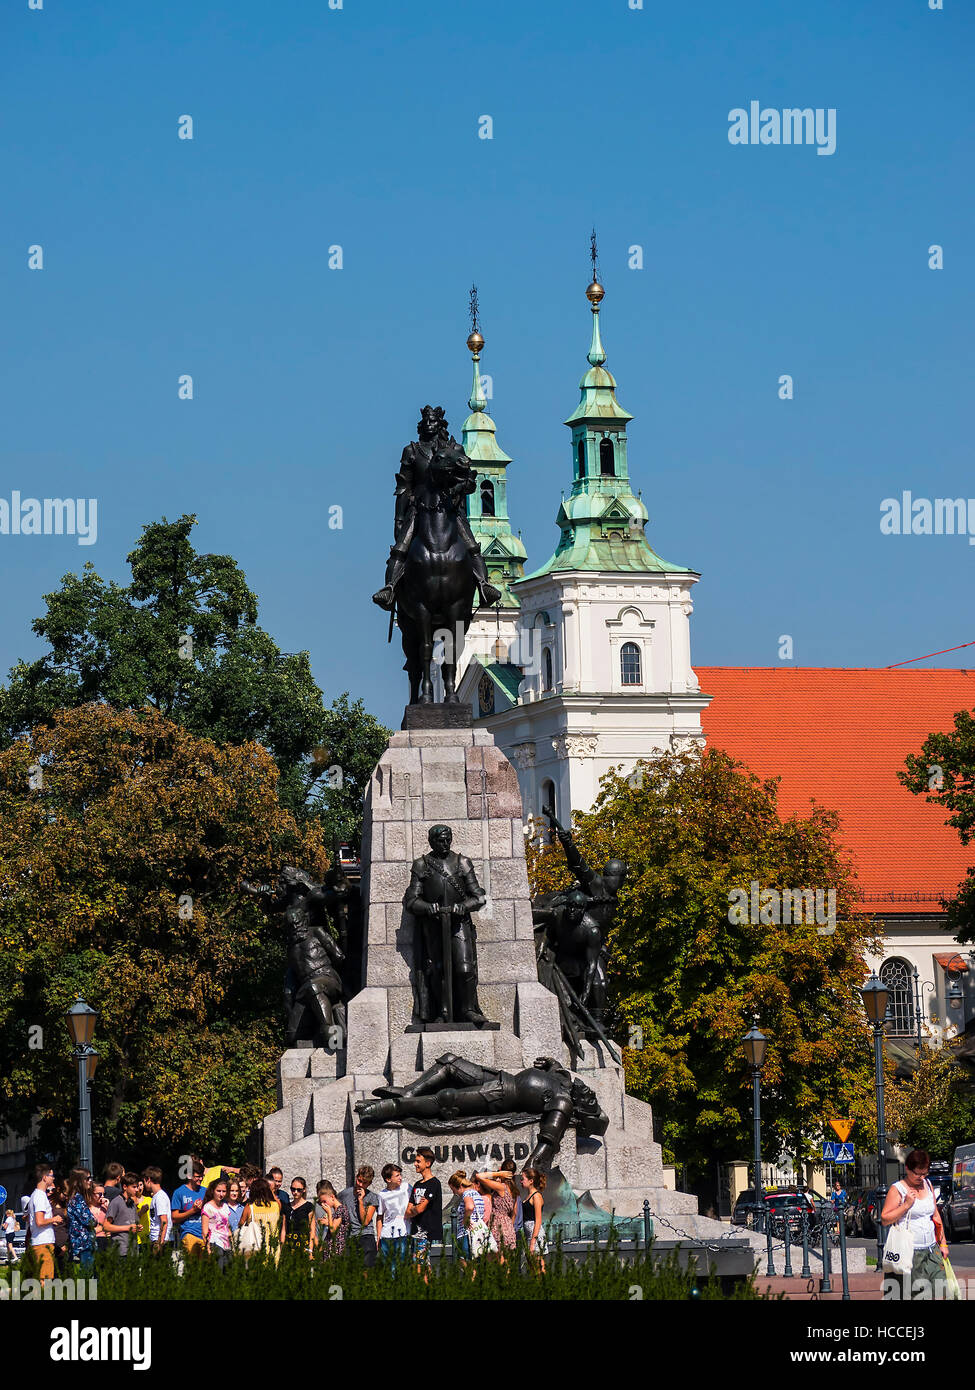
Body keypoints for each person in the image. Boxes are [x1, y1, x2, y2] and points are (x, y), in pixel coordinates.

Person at [881, 1148, 950, 1300]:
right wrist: (906, 1205)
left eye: (924, 1173)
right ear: (907, 1168)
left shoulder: (928, 1184)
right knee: (916, 1294)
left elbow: (935, 1215)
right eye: (917, 1173)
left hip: (932, 1249)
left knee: (942, 1289)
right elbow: (885, 1218)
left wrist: (943, 1243)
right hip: (910, 1252)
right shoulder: (897, 1189)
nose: (921, 1177)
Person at [406, 1147, 442, 1272]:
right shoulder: (417, 1184)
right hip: (415, 1231)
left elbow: (420, 1209)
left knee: (420, 1264)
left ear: (427, 1163)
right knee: (421, 1264)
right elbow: (407, 1212)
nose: (415, 1164)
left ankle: (427, 1289)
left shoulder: (434, 1183)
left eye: (418, 1161)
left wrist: (415, 1208)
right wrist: (415, 1208)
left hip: (426, 1232)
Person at [337, 1165, 379, 1268]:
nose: (360, 1184)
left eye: (364, 1183)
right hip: (349, 1237)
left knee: (366, 1271)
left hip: (366, 1236)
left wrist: (360, 1201)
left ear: (369, 1183)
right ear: (356, 1177)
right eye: (359, 1180)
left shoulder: (372, 1197)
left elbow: (365, 1222)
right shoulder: (344, 1194)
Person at [27, 1165, 62, 1284]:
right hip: (43, 1242)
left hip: (40, 1241)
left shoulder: (36, 1195)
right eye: (51, 1176)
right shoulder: (40, 1196)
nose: (53, 1178)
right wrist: (54, 1219)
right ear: (44, 1177)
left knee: (42, 1279)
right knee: (45, 1280)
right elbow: (40, 1221)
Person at [238, 1176, 283, 1265]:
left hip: (256, 1246)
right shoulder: (277, 1205)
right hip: (273, 1247)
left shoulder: (250, 1207)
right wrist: (271, 1190)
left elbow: (241, 1224)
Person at [375, 1163, 411, 1273]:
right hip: (387, 1234)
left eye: (400, 1175)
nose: (400, 1178)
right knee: (389, 1267)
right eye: (397, 1176)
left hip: (403, 1232)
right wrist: (379, 1236)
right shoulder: (382, 1195)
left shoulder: (406, 1187)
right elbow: (380, 1216)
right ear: (388, 1179)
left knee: (401, 1265)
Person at [476, 1167, 518, 1258]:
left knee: (495, 1262)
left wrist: (497, 1174)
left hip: (497, 1226)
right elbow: (514, 1212)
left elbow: (479, 1176)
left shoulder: (501, 1187)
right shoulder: (513, 1190)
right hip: (508, 1225)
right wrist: (509, 1226)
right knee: (506, 1264)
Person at [171, 1158, 207, 1255]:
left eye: (202, 1176)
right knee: (192, 1267)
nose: (200, 1179)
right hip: (189, 1234)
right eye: (197, 1177)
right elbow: (174, 1218)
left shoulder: (206, 1191)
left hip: (205, 1234)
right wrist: (193, 1210)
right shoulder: (179, 1192)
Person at [65, 1171, 96, 1273]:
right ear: (79, 1181)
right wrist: (96, 1221)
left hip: (83, 1243)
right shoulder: (77, 1199)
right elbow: (89, 1220)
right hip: (83, 1244)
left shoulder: (76, 1198)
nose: (90, 1181)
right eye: (87, 1179)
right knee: (87, 1277)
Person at [104, 1173, 140, 1257]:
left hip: (133, 1250)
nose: (137, 1189)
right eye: (134, 1187)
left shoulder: (132, 1203)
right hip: (120, 1251)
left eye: (137, 1187)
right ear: (124, 1187)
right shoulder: (116, 1202)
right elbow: (106, 1226)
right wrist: (127, 1228)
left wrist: (138, 1227)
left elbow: (132, 1223)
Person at [201, 1177, 233, 1269]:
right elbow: (204, 1231)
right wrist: (208, 1249)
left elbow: (227, 1226)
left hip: (226, 1244)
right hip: (214, 1243)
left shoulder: (225, 1206)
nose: (221, 1194)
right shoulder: (207, 1207)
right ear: (213, 1191)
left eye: (224, 1191)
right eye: (218, 1191)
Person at [521, 1168, 547, 1273]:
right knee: (532, 1266)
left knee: (539, 1266)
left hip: (535, 1234)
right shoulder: (528, 1196)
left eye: (523, 1179)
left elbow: (538, 1219)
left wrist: (533, 1241)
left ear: (531, 1181)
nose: (521, 1181)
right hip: (528, 1234)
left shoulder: (536, 1196)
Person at [315, 1181, 350, 1258]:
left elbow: (333, 1230)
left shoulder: (340, 1209)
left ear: (332, 1197)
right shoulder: (337, 1210)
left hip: (336, 1249)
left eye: (324, 1201)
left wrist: (329, 1213)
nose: (323, 1204)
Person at [143, 1168, 172, 1254]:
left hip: (159, 1240)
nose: (144, 1185)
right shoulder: (156, 1196)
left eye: (144, 1181)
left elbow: (164, 1221)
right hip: (155, 1239)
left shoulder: (160, 1197)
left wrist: (160, 1242)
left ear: (148, 1180)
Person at [286, 1178, 315, 1256]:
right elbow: (283, 1229)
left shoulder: (309, 1207)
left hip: (303, 1245)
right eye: (293, 1189)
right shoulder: (287, 1207)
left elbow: (312, 1230)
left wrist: (310, 1250)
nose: (295, 1192)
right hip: (288, 1245)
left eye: (299, 1190)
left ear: (304, 1190)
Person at [267, 1167, 291, 1231]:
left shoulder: (284, 1195)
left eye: (279, 1181)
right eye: (275, 1181)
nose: (277, 1184)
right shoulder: (264, 1195)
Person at [89, 1182, 109, 1254]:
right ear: (91, 1194)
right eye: (100, 1194)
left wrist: (109, 1208)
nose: (102, 1196)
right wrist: (101, 1228)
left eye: (104, 1194)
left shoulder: (105, 1207)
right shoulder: (86, 1209)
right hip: (92, 1241)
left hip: (106, 1240)